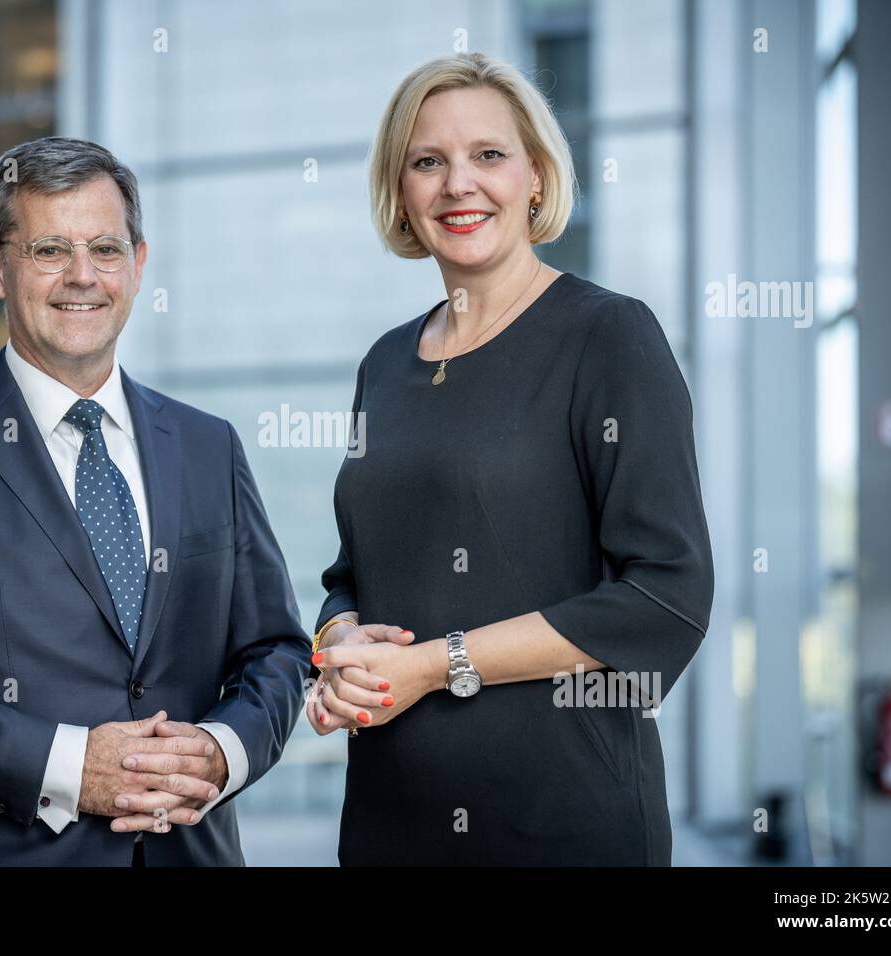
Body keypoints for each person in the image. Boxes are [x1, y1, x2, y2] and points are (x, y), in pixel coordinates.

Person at [0, 136, 309, 866]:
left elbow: (274, 649)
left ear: (139, 267)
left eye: (106, 250)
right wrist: (69, 765)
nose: (83, 277)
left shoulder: (210, 446)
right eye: (49, 250)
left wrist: (220, 750)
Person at [306, 53, 715, 865]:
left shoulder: (609, 337)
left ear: (536, 176)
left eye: (488, 155)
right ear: (402, 191)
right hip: (393, 821)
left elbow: (666, 593)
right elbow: (354, 570)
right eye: (428, 161)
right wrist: (338, 646)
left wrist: (433, 665)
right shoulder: (384, 365)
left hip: (564, 821)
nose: (459, 184)